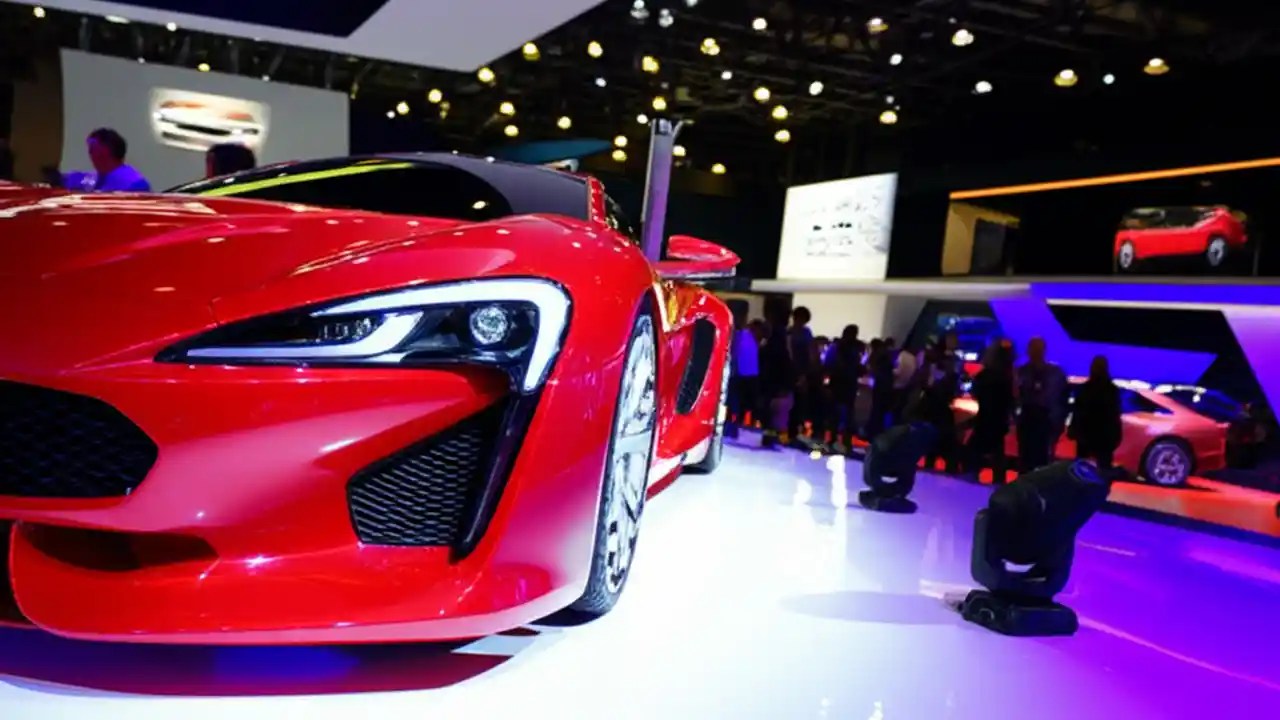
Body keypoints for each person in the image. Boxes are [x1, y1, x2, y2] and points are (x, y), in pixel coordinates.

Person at [1015, 337, 1069, 472]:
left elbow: (1062, 399)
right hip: (1027, 419)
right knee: (1026, 458)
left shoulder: (1055, 374)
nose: (1034, 352)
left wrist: (1058, 421)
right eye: (1033, 349)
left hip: (1045, 420)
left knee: (1042, 458)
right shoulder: (1021, 372)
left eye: (1037, 349)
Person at [966, 341, 1015, 485]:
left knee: (974, 452)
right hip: (999, 421)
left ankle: (970, 482)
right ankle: (998, 484)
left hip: (985, 419)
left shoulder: (985, 376)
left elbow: (975, 392)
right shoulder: (1008, 377)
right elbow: (1011, 400)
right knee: (997, 455)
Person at [1069, 355, 1122, 472]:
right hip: (1103, 436)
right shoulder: (1111, 390)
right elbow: (1114, 414)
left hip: (1087, 434)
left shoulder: (1085, 389)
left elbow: (1078, 412)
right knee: (1103, 469)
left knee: (1082, 469)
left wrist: (1073, 430)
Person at [759, 308, 796, 449]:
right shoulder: (782, 335)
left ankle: (771, 437)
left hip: (773, 376)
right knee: (777, 410)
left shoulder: (776, 336)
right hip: (778, 377)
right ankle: (775, 438)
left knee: (771, 408)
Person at [825, 324, 866, 448]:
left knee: (835, 413)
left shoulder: (837, 347)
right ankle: (846, 442)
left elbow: (828, 363)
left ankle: (832, 440)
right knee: (847, 414)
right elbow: (860, 366)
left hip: (838, 382)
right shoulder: (857, 349)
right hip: (849, 383)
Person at [726, 310, 760, 439]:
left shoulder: (745, 335)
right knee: (733, 401)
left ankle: (734, 427)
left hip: (742, 375)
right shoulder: (739, 334)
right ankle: (731, 427)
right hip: (735, 373)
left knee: (737, 402)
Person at [85, 128, 150, 191]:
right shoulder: (92, 180)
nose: (90, 153)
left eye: (92, 148)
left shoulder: (134, 184)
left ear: (105, 151)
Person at [866, 338, 895, 439]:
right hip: (887, 385)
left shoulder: (878, 354)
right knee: (881, 409)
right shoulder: (887, 354)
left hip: (880, 384)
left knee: (876, 408)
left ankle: (871, 431)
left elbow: (872, 367)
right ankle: (878, 431)